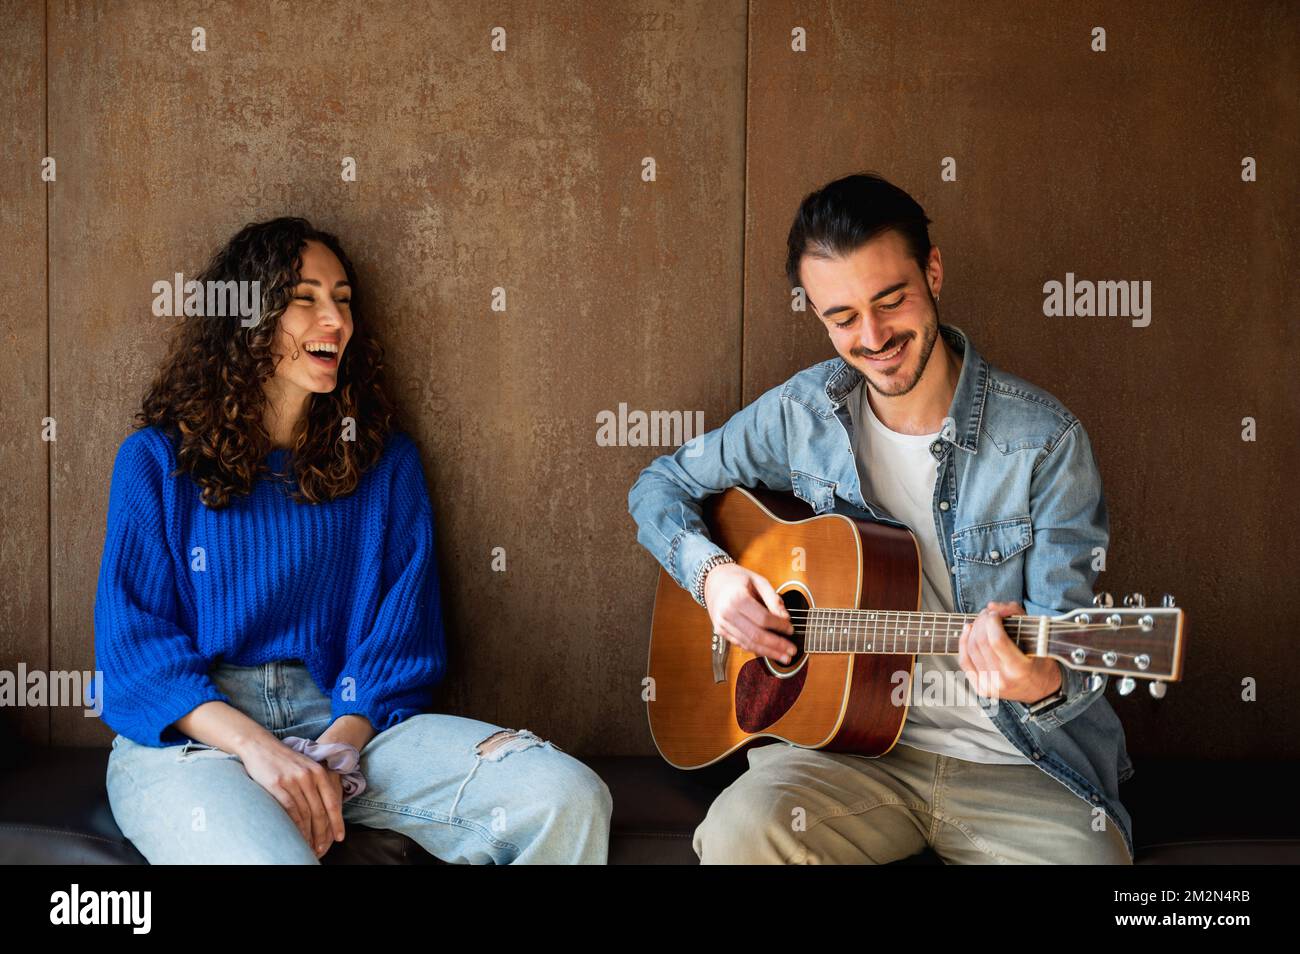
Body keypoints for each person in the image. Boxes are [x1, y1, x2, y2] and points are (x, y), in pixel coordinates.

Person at [627, 172, 1134, 864]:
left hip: (1015, 764)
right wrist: (714, 579)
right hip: (848, 756)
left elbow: (1071, 666)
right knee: (738, 835)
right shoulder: (800, 415)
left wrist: (1036, 680)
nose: (872, 338)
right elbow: (660, 486)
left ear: (933, 271)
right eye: (842, 318)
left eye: (891, 302)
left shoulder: (1045, 443)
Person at [98, 217, 611, 864]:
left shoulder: (382, 464)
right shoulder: (155, 462)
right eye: (305, 298)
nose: (333, 319)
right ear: (246, 316)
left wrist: (339, 744)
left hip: (349, 719)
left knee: (566, 795)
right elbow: (135, 652)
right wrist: (259, 750)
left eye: (342, 299)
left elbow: (401, 639)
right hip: (197, 738)